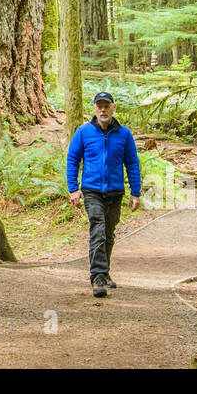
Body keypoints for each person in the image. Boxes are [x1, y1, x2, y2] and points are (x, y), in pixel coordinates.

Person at [65, 92, 141, 297]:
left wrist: (136, 192)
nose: (103, 109)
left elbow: (132, 163)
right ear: (94, 109)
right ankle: (97, 276)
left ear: (114, 108)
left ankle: (104, 272)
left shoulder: (124, 134)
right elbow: (73, 159)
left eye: (106, 106)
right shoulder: (83, 132)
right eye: (99, 106)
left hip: (116, 191)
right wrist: (73, 188)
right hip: (92, 190)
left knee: (108, 233)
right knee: (97, 229)